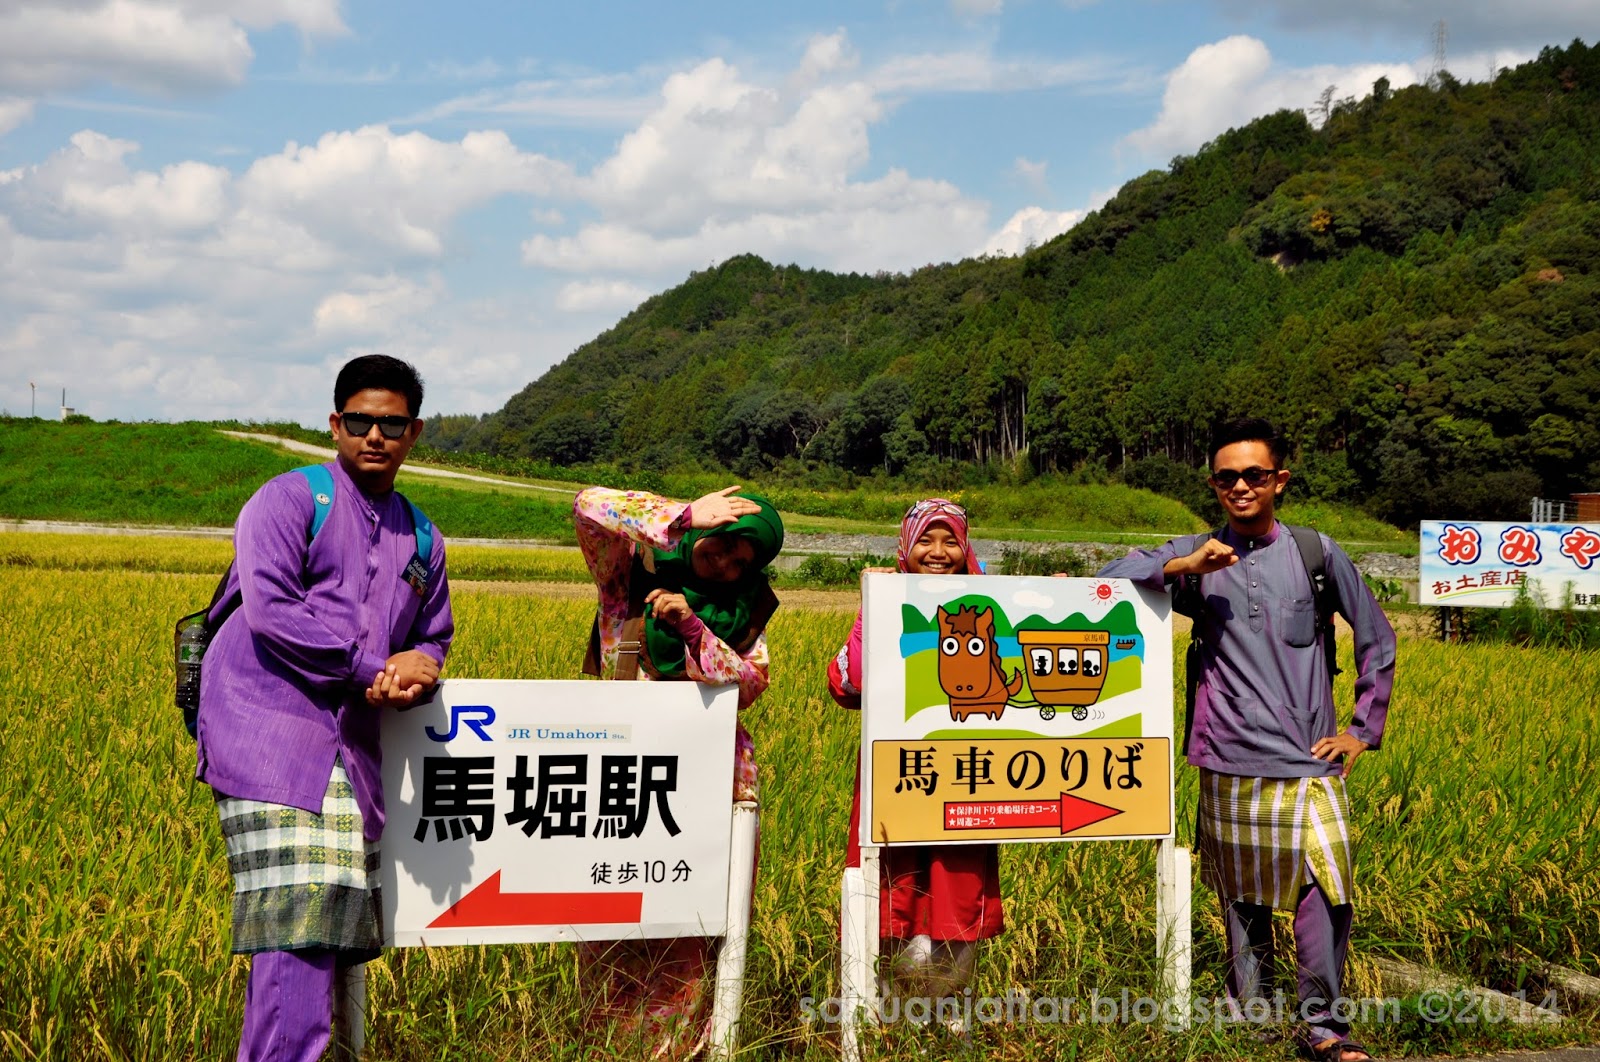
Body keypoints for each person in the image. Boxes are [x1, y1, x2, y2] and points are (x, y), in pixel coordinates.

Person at [1098, 418, 1394, 1062]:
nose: (1240, 486)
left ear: (1279, 481)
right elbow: (1112, 574)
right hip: (1226, 755)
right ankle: (1251, 1016)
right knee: (1243, 896)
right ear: (1213, 483)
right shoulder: (1200, 556)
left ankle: (1324, 1028)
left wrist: (1361, 732)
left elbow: (1377, 636)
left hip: (1309, 760)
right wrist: (1185, 562)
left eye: (1254, 475)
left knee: (1328, 886)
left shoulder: (1316, 553)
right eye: (1226, 476)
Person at [196, 354, 454, 1061]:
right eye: (362, 420)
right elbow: (272, 611)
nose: (376, 435)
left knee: (328, 931)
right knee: (299, 929)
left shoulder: (422, 537)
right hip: (269, 737)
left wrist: (418, 668)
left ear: (414, 432)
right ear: (336, 424)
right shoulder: (288, 501)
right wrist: (374, 668)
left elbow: (433, 632)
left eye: (392, 423)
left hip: (353, 755)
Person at [572, 483, 784, 1059]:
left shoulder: (746, 611)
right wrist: (680, 515)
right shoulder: (626, 581)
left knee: (692, 932)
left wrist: (694, 627)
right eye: (721, 544)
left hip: (712, 785)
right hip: (621, 781)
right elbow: (589, 507)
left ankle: (685, 1051)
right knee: (608, 921)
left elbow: (748, 685)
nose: (728, 563)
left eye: (744, 560)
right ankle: (607, 1050)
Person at [827, 499, 1003, 1018]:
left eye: (951, 541)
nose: (939, 552)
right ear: (905, 546)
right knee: (890, 885)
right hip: (900, 777)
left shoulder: (993, 603)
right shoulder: (883, 599)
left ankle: (948, 1021)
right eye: (927, 539)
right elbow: (850, 681)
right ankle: (876, 1015)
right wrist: (871, 603)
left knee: (958, 885)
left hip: (971, 780)